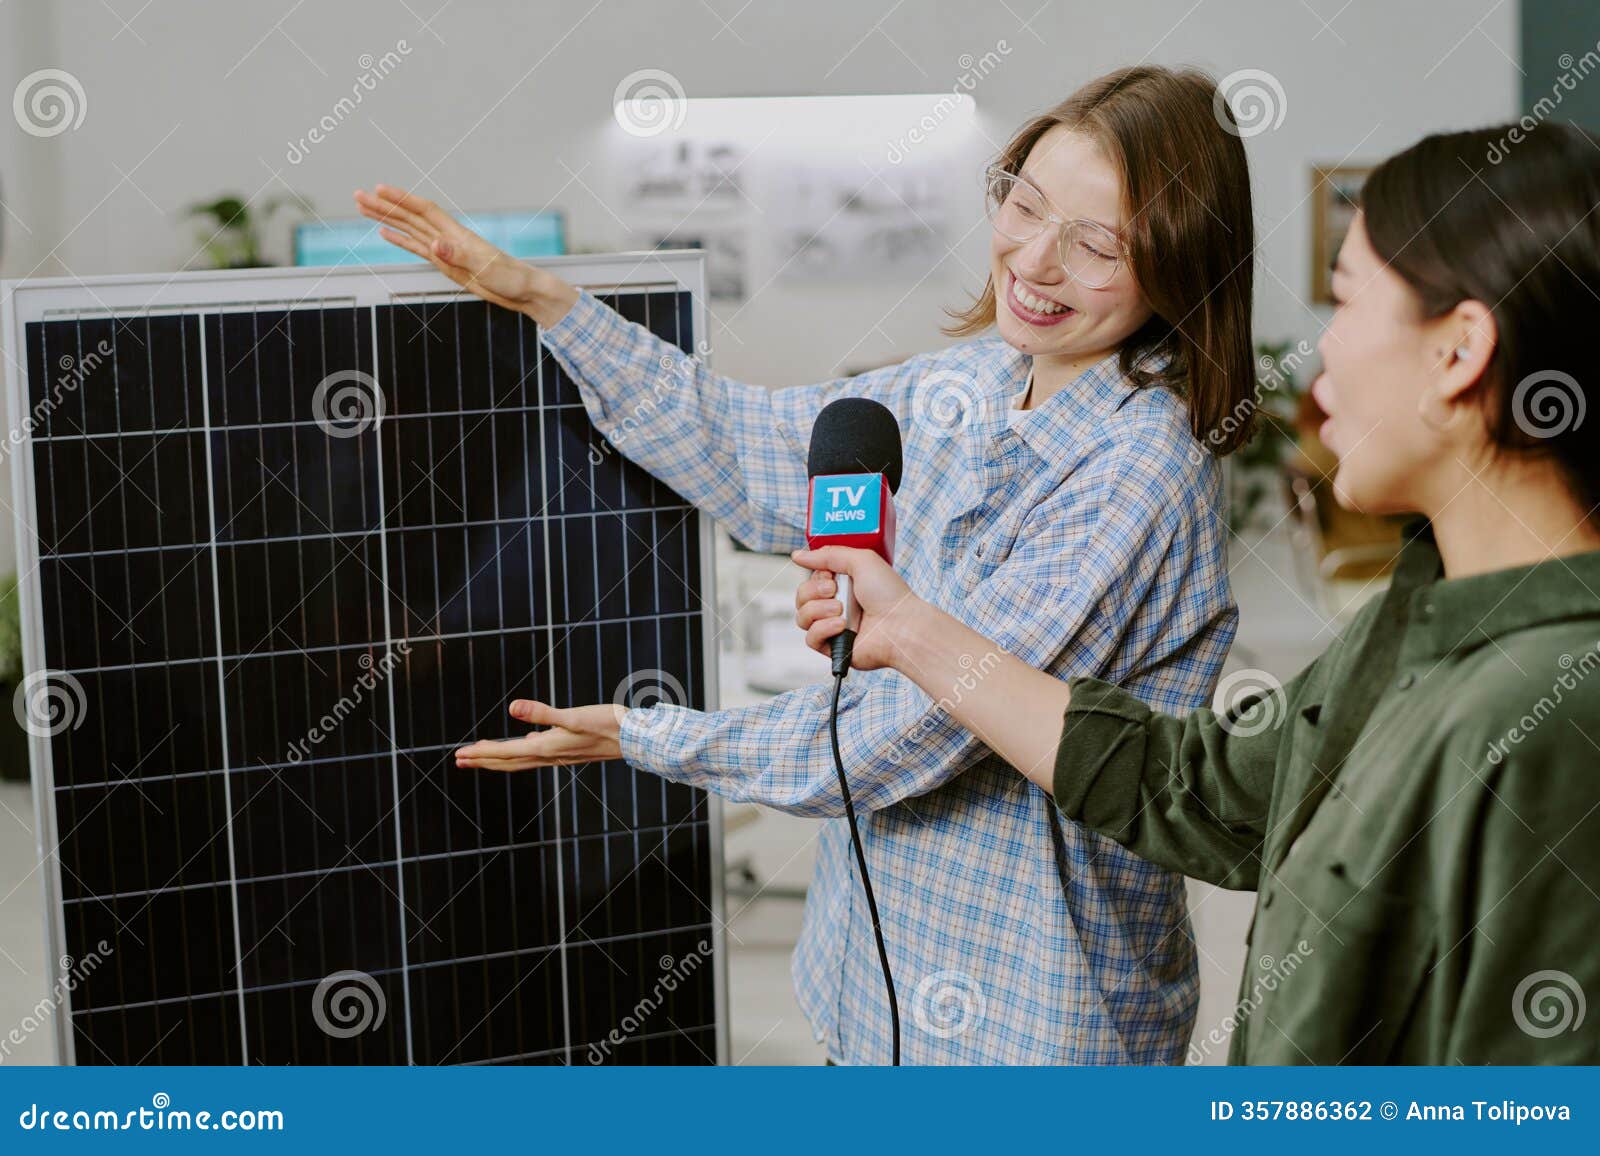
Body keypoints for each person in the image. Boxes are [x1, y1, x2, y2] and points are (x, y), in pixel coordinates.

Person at [355, 63, 1255, 1064]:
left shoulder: (1138, 471)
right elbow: (751, 445)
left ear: (1181, 263)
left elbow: (897, 737)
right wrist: (555, 305)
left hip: (1024, 1027)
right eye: (1025, 207)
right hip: (871, 992)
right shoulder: (976, 380)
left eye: (1095, 244)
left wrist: (652, 737)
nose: (1035, 261)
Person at [792, 121, 1600, 1063]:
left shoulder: (1555, 714)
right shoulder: (1415, 614)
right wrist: (913, 634)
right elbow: (1205, 790)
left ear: (1459, 353)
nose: (1319, 358)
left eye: (1346, 304)